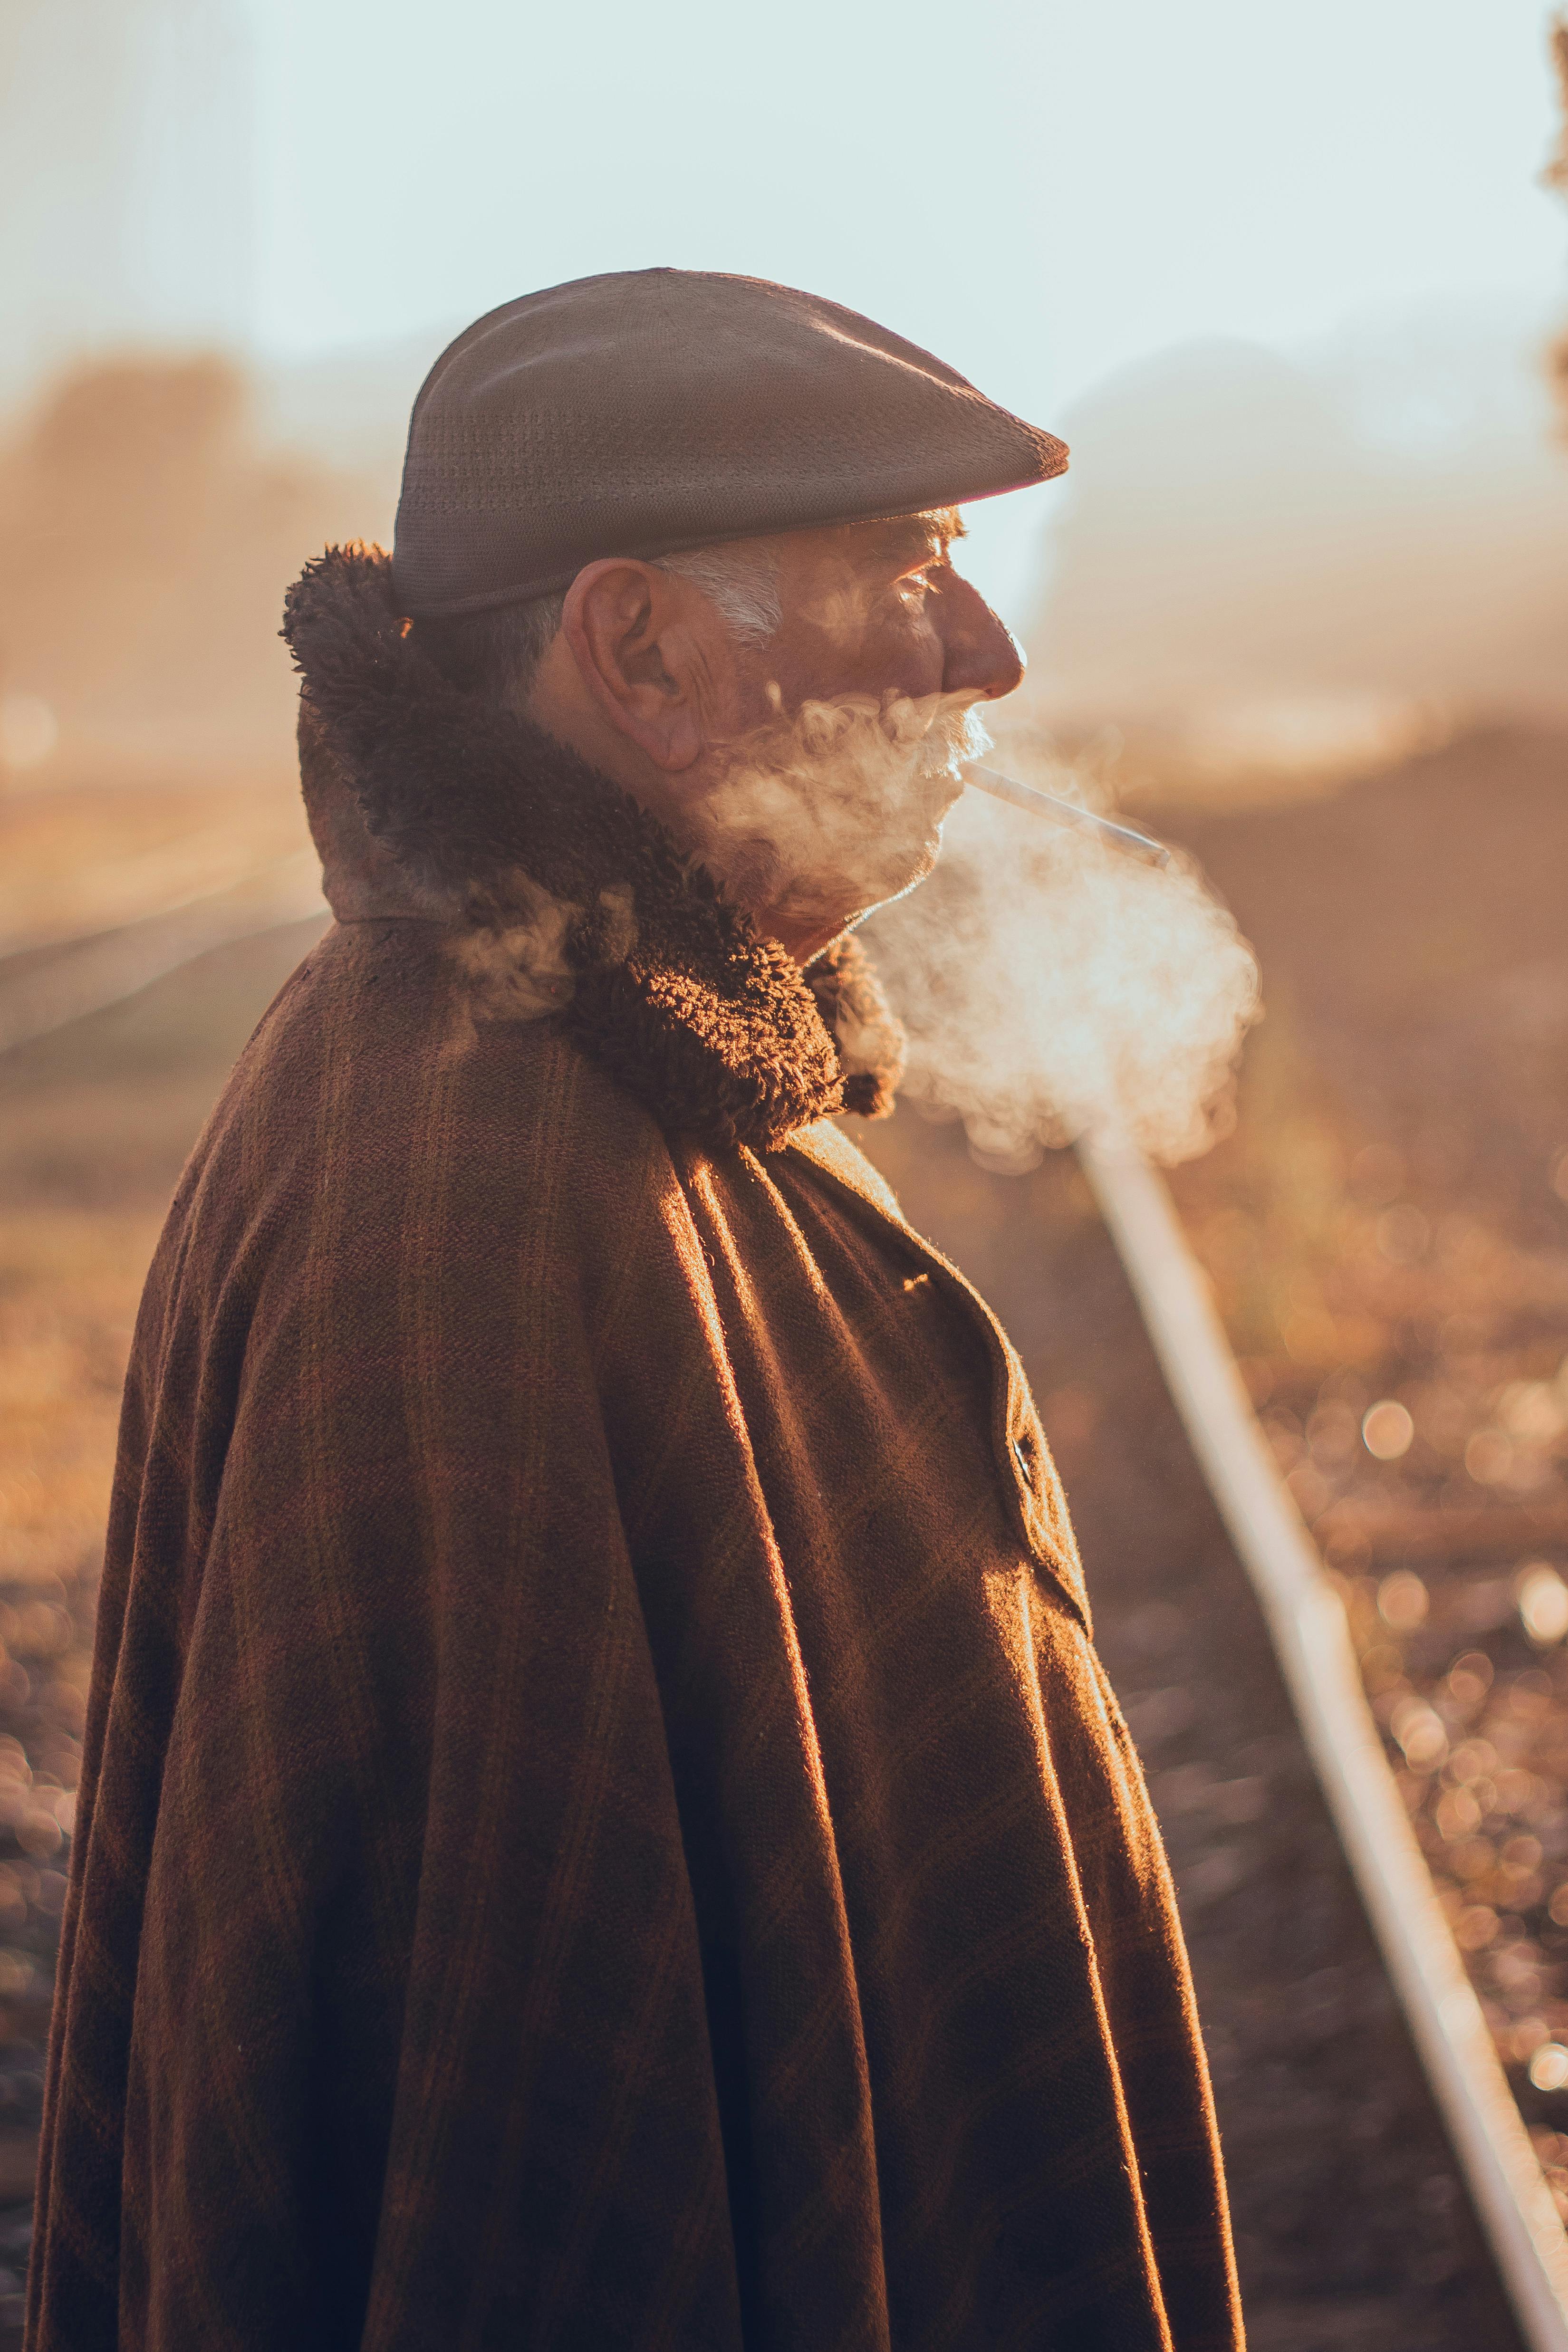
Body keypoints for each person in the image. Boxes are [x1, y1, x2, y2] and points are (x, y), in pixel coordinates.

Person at [28, 271, 1243, 2351]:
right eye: (909, 566)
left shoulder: (632, 1049)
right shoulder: (462, 1188)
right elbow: (506, 2155)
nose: (988, 651)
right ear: (645, 649)